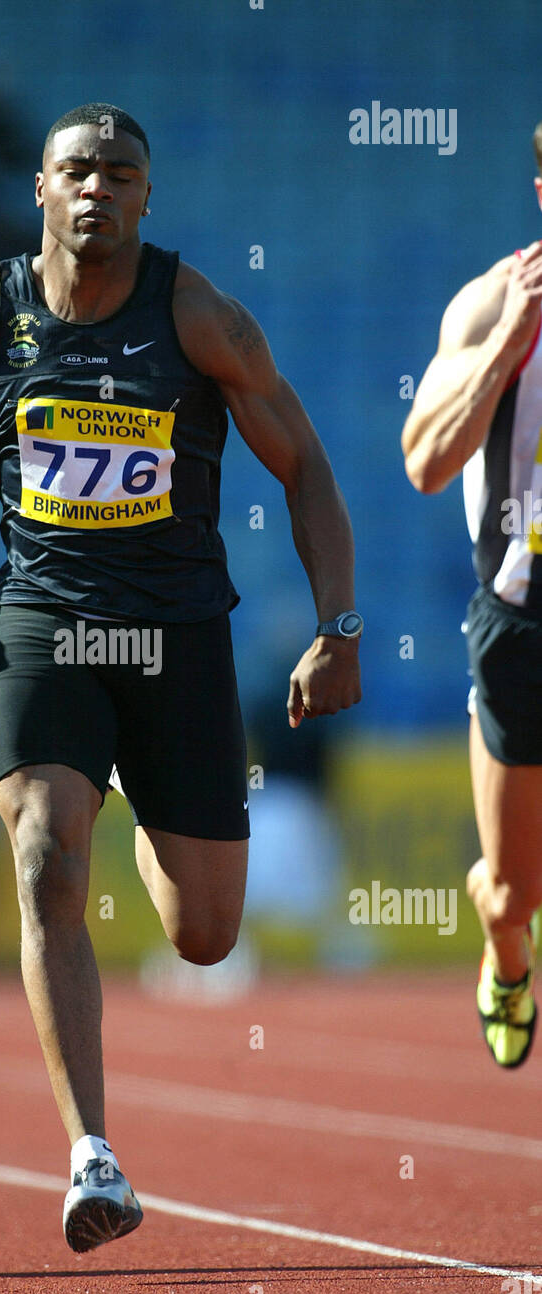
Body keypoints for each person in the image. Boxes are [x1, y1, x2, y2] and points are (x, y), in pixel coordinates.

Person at [0, 103, 362, 1251]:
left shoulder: (198, 319)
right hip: (44, 624)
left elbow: (303, 467)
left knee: (203, 936)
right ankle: (90, 1151)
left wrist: (337, 625)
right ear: (38, 190)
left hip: (176, 639)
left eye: (121, 174)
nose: (98, 190)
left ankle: (145, 794)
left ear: (148, 197)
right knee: (46, 853)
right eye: (77, 172)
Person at [402, 123, 542, 1069]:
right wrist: (505, 350)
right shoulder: (491, 301)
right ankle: (503, 946)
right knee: (510, 889)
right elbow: (423, 462)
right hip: (522, 621)